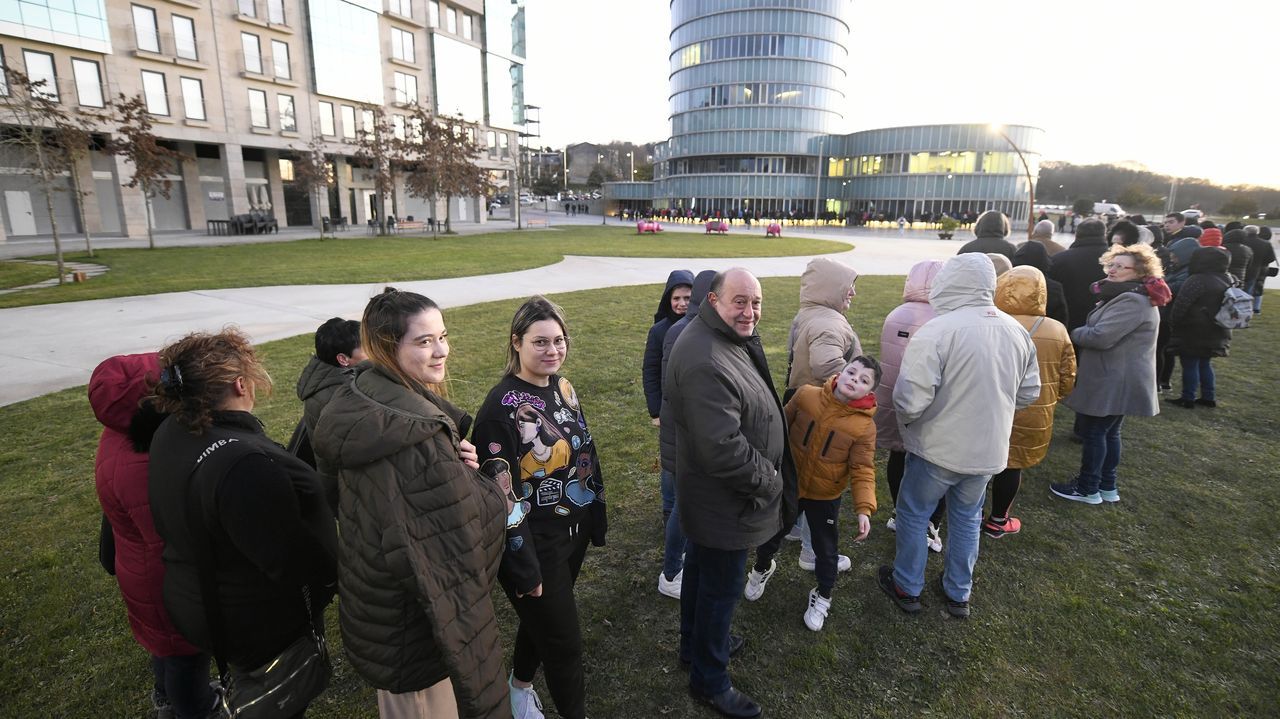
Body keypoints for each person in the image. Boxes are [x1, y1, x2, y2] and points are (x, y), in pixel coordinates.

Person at [312, 288, 508, 718]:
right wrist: (485, 485)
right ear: (387, 347)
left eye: (443, 336)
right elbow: (454, 576)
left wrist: (457, 468)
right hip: (415, 632)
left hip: (383, 613)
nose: (442, 351)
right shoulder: (414, 443)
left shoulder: (362, 396)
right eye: (424, 341)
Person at [148, 329, 338, 719]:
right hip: (252, 620)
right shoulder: (242, 464)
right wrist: (329, 577)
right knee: (276, 701)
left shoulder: (173, 431)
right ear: (240, 384)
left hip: (198, 597)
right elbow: (289, 561)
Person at [880, 254, 1040, 618]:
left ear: (949, 283)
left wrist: (910, 424)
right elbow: (1029, 392)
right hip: (987, 451)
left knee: (914, 513)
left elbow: (910, 398)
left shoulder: (938, 330)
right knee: (967, 517)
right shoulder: (1016, 331)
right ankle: (957, 592)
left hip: (936, 449)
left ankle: (907, 584)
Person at [665, 268, 791, 718]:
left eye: (756, 302)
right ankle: (710, 680)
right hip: (725, 500)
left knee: (702, 573)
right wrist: (771, 481)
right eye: (740, 301)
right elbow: (722, 447)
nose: (750, 312)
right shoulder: (705, 357)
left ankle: (693, 648)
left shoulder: (717, 338)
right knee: (720, 590)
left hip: (714, 498)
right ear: (715, 300)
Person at [473, 296, 607, 719]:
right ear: (516, 342)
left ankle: (519, 688)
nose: (553, 350)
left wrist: (595, 512)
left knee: (543, 624)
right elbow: (502, 498)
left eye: (559, 340)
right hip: (536, 543)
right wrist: (524, 566)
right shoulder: (499, 411)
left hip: (573, 532)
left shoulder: (563, 387)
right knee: (564, 645)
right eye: (540, 342)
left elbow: (584, 450)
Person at [90, 352, 218, 719]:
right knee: (185, 654)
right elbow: (171, 534)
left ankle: (166, 697)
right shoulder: (149, 460)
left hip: (140, 571)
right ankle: (196, 708)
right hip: (167, 579)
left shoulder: (120, 436)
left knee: (164, 646)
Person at [1051, 245, 1169, 504]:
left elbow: (1101, 336)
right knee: (1108, 432)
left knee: (1096, 431)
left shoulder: (1132, 300)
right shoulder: (1128, 295)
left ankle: (1088, 488)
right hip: (1116, 374)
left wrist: (1072, 332)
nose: (1112, 270)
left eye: (1121, 267)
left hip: (1115, 377)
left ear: (1139, 272)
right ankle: (1106, 485)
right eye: (1111, 265)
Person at [783, 356, 879, 631]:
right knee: (773, 533)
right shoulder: (806, 395)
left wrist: (864, 508)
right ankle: (762, 567)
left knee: (826, 550)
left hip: (824, 496)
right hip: (790, 485)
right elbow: (778, 427)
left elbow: (862, 467)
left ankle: (823, 594)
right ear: (841, 372)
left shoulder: (864, 426)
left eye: (863, 380)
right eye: (852, 372)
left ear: (870, 392)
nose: (854, 380)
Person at [986, 267, 1076, 537]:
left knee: (980, 461)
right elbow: (1067, 375)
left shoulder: (989, 322)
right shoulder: (1057, 330)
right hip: (1033, 409)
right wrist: (1052, 398)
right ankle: (998, 519)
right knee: (1012, 464)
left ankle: (969, 513)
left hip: (991, 405)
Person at [781, 257, 860, 563]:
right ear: (830, 287)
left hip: (802, 403)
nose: (853, 292)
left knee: (800, 473)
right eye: (848, 285)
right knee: (820, 484)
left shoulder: (811, 313)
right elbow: (827, 366)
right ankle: (812, 553)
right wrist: (859, 392)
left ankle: (793, 526)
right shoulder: (829, 322)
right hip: (821, 413)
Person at [874, 260, 946, 553]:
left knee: (898, 453)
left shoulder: (895, 315)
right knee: (932, 464)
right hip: (929, 403)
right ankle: (929, 522)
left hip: (893, 397)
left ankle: (899, 511)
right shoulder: (944, 318)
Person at [657, 270, 717, 600]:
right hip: (685, 434)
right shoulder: (690, 332)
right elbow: (681, 389)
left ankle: (683, 558)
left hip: (681, 431)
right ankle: (671, 572)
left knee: (685, 501)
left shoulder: (688, 328)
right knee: (684, 504)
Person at [295, 317, 365, 511]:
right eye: (366, 347)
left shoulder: (326, 379)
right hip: (348, 490)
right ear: (343, 360)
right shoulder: (342, 395)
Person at [1167, 247, 1233, 409]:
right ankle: (1208, 396)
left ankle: (1188, 397)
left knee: (1190, 363)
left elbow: (1181, 305)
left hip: (1193, 328)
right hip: (1217, 327)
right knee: (1204, 363)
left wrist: (1173, 322)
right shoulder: (1227, 278)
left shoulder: (1197, 280)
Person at [643, 272, 694, 427]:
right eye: (676, 298)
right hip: (670, 404)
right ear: (668, 300)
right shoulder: (658, 331)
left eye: (687, 298)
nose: (682, 303)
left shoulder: (702, 325)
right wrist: (656, 411)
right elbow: (651, 370)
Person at [1049, 217, 1109, 334]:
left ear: (1077, 234)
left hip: (1066, 322)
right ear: (1104, 235)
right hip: (1104, 325)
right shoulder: (1117, 261)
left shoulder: (1059, 260)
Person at [1012, 240, 1070, 327]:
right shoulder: (1054, 288)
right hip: (1046, 331)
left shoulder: (1010, 284)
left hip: (1015, 330)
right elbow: (1061, 319)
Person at [1243, 226, 1276, 313]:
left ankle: (1244, 308)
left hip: (1243, 268)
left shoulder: (1242, 241)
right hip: (1258, 268)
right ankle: (1255, 308)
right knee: (1257, 288)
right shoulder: (1265, 243)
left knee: (1243, 288)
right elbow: (1271, 258)